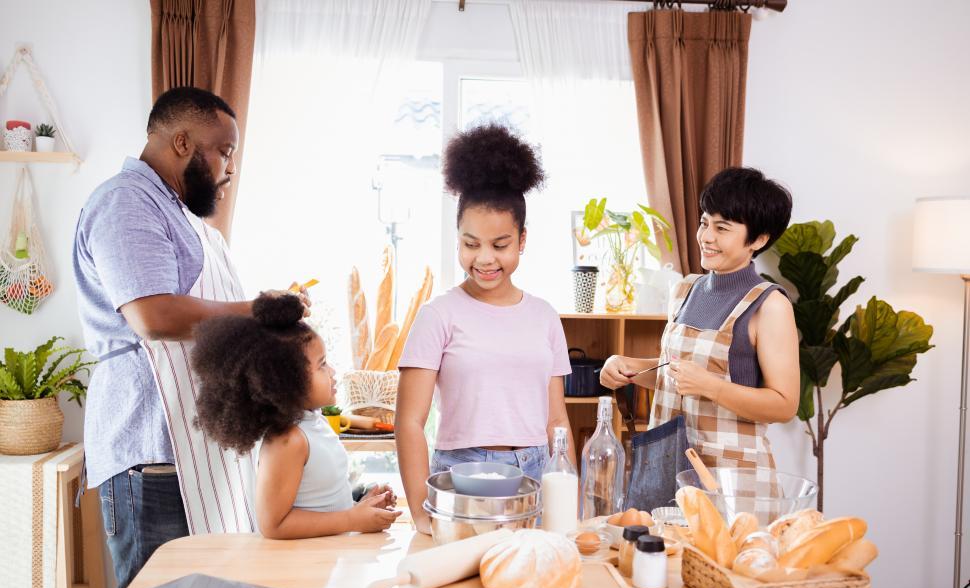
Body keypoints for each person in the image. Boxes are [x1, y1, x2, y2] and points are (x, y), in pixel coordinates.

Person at [72, 87, 309, 588]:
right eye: (224, 151)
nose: (229, 169)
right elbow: (153, 315)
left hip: (184, 451)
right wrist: (261, 309)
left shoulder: (184, 220)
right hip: (150, 453)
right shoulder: (126, 202)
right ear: (182, 142)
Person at [395, 123, 575, 534]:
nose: (485, 259)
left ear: (522, 239)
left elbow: (556, 422)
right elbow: (409, 422)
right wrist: (421, 512)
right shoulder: (438, 315)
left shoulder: (545, 316)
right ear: (457, 238)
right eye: (471, 244)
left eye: (500, 244)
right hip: (461, 476)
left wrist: (569, 503)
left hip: (536, 472)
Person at [601, 167, 799, 478]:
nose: (706, 237)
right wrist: (627, 367)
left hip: (731, 480)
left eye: (722, 228)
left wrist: (711, 386)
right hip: (667, 469)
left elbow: (785, 405)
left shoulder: (769, 305)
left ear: (758, 239)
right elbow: (677, 373)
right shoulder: (685, 290)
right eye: (705, 222)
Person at [190, 292, 401, 538]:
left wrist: (363, 505)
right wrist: (352, 519)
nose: (332, 372)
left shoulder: (314, 423)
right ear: (286, 381)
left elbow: (323, 503)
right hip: (304, 567)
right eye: (322, 364)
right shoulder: (289, 440)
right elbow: (274, 525)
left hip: (329, 560)